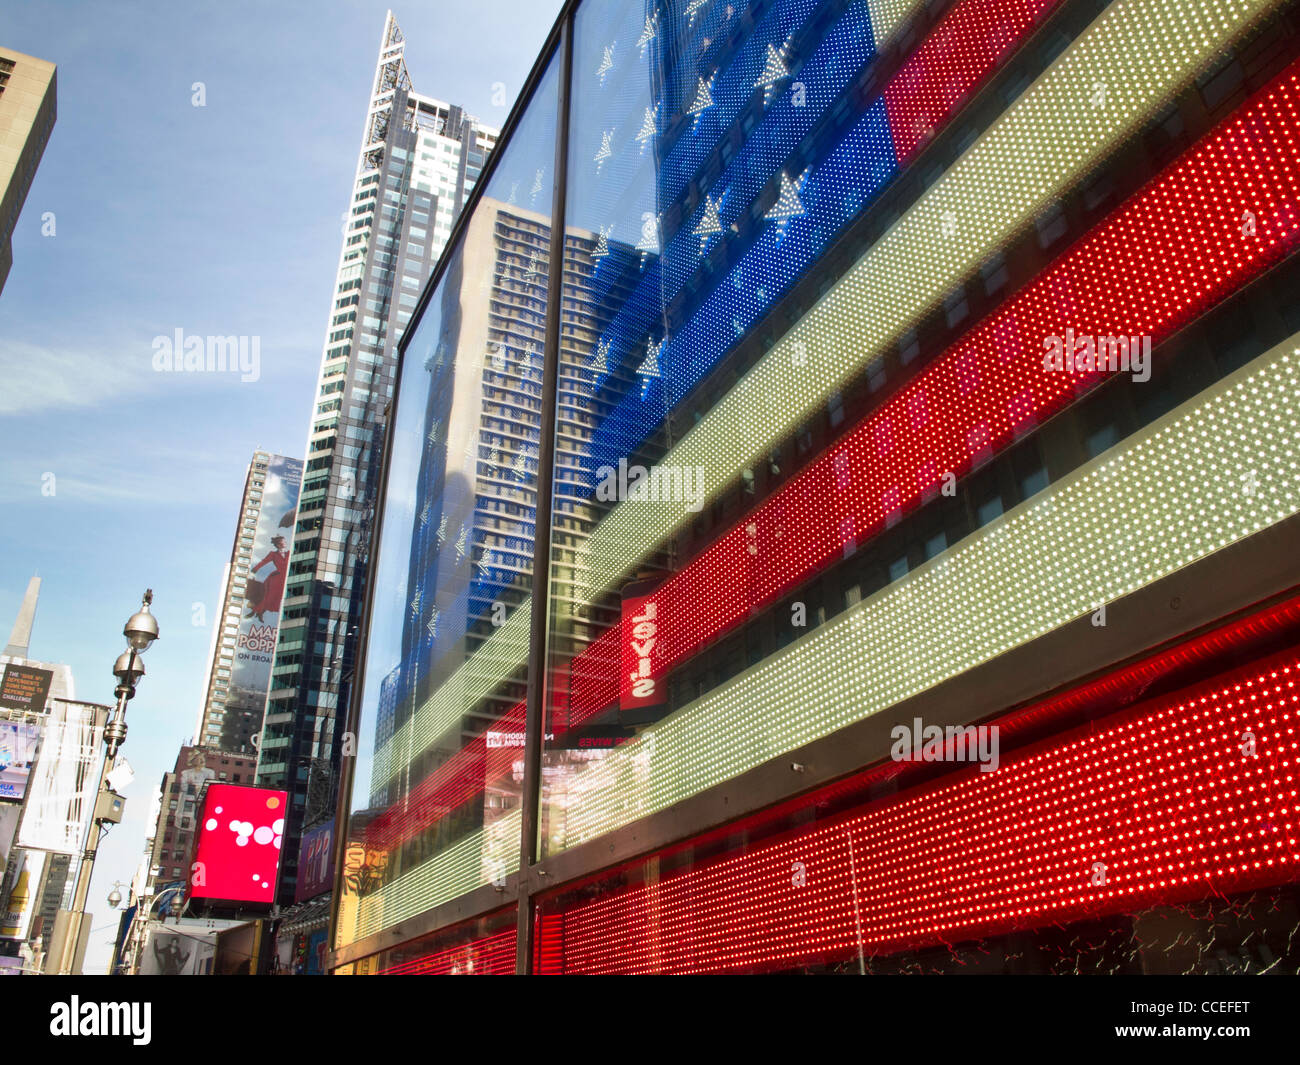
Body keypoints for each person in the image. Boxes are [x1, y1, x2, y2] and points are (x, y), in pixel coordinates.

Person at [246, 535, 288, 622]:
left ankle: (259, 612)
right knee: (268, 596)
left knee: (278, 598)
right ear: (279, 544)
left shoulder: (290, 553)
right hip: (276, 579)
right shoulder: (273, 554)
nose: (285, 543)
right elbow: (264, 561)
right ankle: (257, 612)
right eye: (283, 542)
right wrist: (254, 570)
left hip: (286, 579)